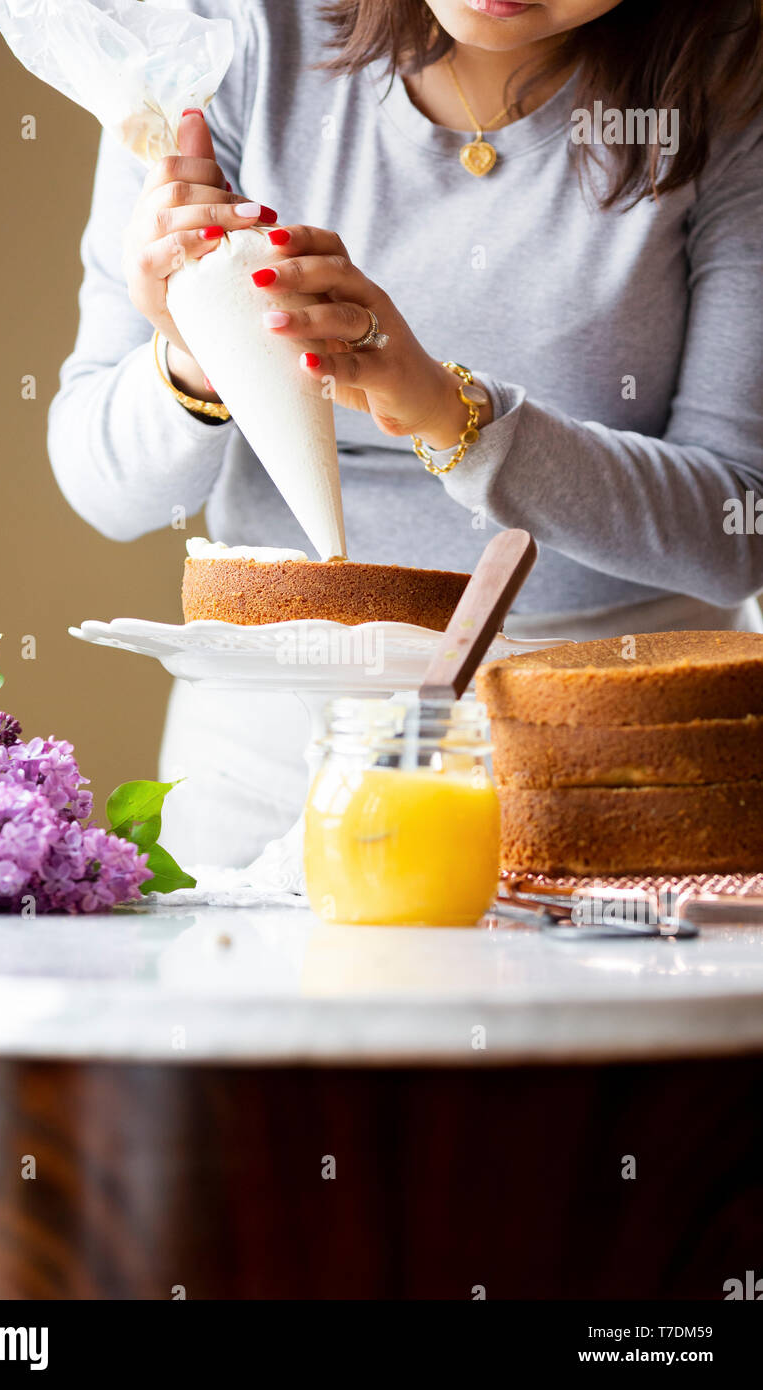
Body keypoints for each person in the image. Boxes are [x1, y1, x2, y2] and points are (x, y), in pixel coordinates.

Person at [49, 0, 763, 867]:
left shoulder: (732, 78)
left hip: (613, 741)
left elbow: (739, 523)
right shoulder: (221, 41)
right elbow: (105, 488)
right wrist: (200, 360)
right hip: (266, 750)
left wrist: (445, 412)